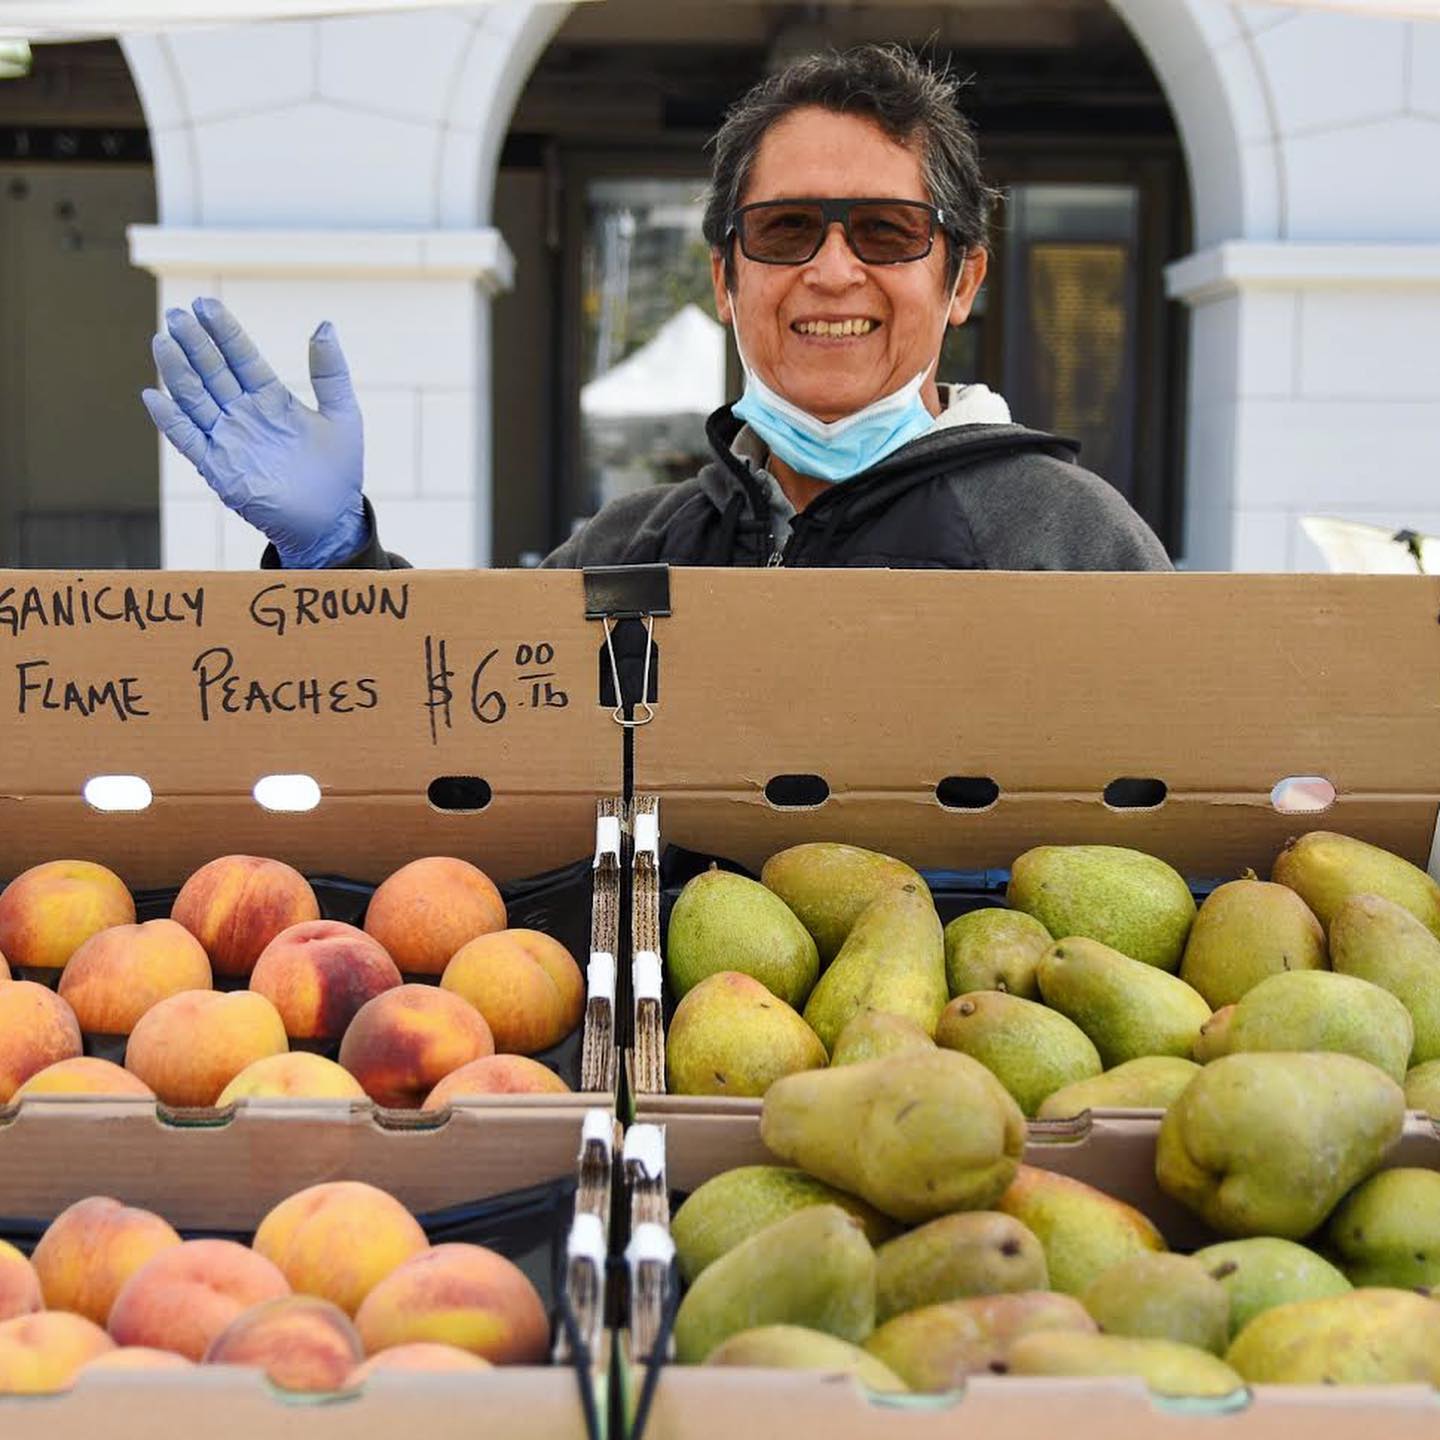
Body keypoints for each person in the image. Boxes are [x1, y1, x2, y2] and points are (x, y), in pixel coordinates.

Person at [142, 44, 1172, 573]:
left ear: (963, 280)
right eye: (784, 230)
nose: (831, 270)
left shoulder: (1070, 540)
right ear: (726, 280)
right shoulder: (636, 546)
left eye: (888, 232)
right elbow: (463, 727)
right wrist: (338, 558)